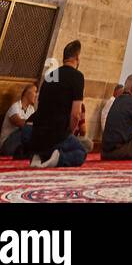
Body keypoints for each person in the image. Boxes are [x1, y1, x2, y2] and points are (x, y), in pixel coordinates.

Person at [29, 41, 90, 169]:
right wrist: (69, 133)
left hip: (36, 134)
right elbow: (76, 114)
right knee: (81, 152)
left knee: (69, 144)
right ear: (77, 58)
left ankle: (40, 155)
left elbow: (38, 106)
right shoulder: (77, 77)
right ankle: (58, 159)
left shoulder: (50, 75)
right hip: (57, 134)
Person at [0, 84, 37, 158]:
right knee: (25, 129)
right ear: (28, 93)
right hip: (7, 145)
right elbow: (19, 123)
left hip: (18, 146)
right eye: (35, 92)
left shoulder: (31, 109)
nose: (36, 95)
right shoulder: (15, 107)